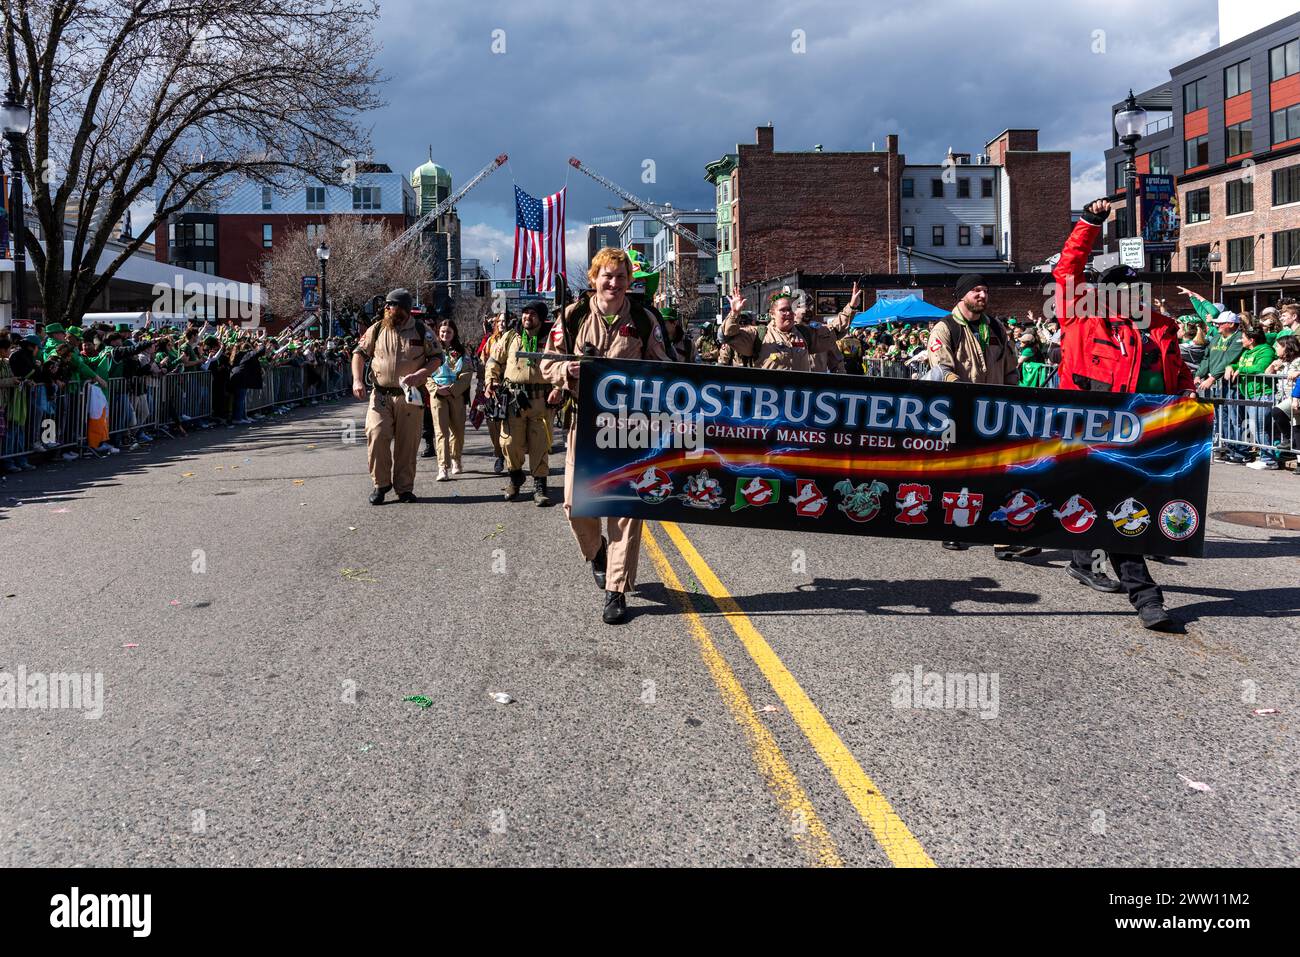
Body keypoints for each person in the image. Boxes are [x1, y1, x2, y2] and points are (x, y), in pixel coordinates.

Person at [1054, 198, 1195, 633]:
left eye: (1135, 289)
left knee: (1103, 502)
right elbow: (1066, 270)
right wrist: (1089, 222)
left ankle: (1081, 560)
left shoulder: (1161, 328)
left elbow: (1177, 373)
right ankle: (1147, 596)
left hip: (1150, 432)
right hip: (1093, 431)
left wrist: (1189, 396)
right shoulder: (1083, 321)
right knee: (1120, 510)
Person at [540, 247, 669, 625]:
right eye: (607, 276)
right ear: (594, 278)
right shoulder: (573, 316)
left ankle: (616, 590)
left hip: (630, 428)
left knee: (624, 508)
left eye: (620, 277)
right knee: (574, 504)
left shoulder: (644, 320)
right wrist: (566, 373)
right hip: (584, 424)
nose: (613, 283)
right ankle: (597, 552)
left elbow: (664, 366)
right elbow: (547, 363)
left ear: (629, 282)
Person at [927, 274, 1031, 559]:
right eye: (976, 290)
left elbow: (1010, 368)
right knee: (958, 473)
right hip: (958, 413)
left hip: (994, 414)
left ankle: (1002, 539)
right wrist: (964, 395)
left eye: (985, 290)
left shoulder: (996, 327)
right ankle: (953, 526)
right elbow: (941, 369)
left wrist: (1014, 397)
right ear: (962, 295)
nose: (983, 295)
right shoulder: (945, 328)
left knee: (998, 473)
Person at [351, 289, 444, 504]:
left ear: (404, 309)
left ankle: (404, 488)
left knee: (407, 443)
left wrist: (422, 373)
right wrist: (357, 380)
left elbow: (437, 357)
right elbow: (358, 354)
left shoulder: (421, 330)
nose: (389, 309)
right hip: (381, 395)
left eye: (393, 306)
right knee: (376, 434)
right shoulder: (377, 329)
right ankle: (381, 484)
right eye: (388, 305)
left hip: (410, 396)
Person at [486, 300, 554, 505]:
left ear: (541, 318)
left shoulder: (551, 339)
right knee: (508, 442)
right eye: (525, 313)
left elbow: (561, 365)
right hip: (513, 400)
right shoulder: (511, 337)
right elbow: (494, 361)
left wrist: (559, 389)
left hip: (541, 400)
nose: (527, 317)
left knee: (540, 444)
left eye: (533, 314)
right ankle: (515, 477)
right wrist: (491, 380)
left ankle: (540, 486)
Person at [721, 288, 813, 371]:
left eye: (790, 309)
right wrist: (734, 313)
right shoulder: (759, 334)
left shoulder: (804, 333)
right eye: (783, 310)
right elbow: (729, 334)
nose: (788, 313)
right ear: (772, 314)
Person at [427, 317, 471, 482]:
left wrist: (453, 389)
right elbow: (425, 373)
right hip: (438, 394)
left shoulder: (462, 351)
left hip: (456, 394)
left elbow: (467, 373)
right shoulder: (431, 350)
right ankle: (442, 467)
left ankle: (456, 458)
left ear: (454, 333)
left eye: (449, 332)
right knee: (441, 431)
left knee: (458, 430)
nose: (445, 334)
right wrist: (435, 389)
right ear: (438, 332)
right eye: (443, 331)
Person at [475, 312, 508, 473]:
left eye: (505, 321)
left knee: (508, 425)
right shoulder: (490, 341)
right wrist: (481, 387)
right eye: (499, 321)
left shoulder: (518, 340)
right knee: (493, 424)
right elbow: (483, 365)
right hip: (492, 388)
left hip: (510, 388)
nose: (502, 323)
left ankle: (511, 458)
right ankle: (499, 455)